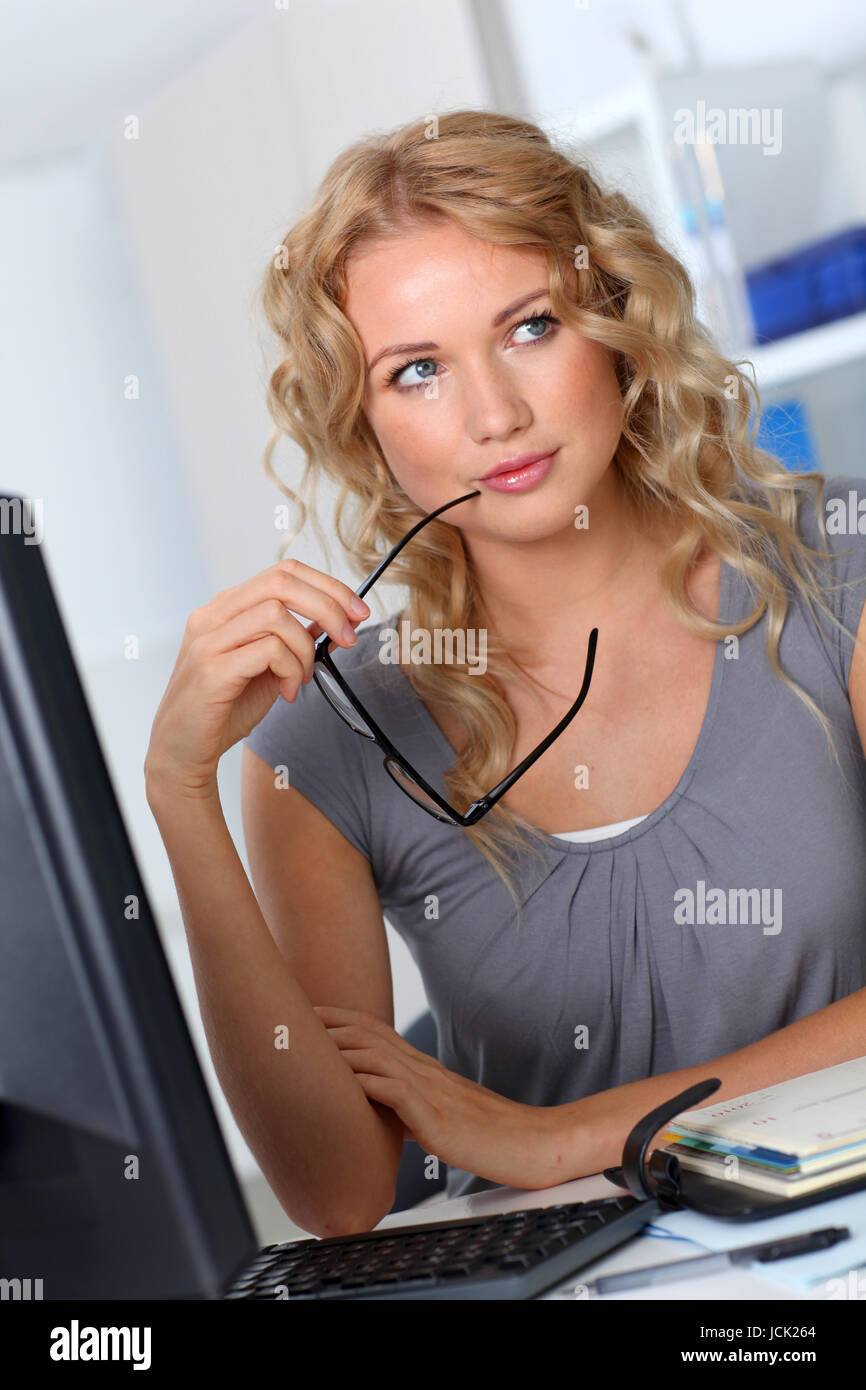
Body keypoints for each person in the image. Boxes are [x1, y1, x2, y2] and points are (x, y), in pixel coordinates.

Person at [145, 109, 866, 1238]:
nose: (494, 415)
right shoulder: (329, 737)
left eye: (529, 327)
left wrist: (569, 1136)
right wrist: (179, 795)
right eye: (417, 370)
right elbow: (335, 1197)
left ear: (614, 324)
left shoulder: (833, 573)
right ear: (362, 421)